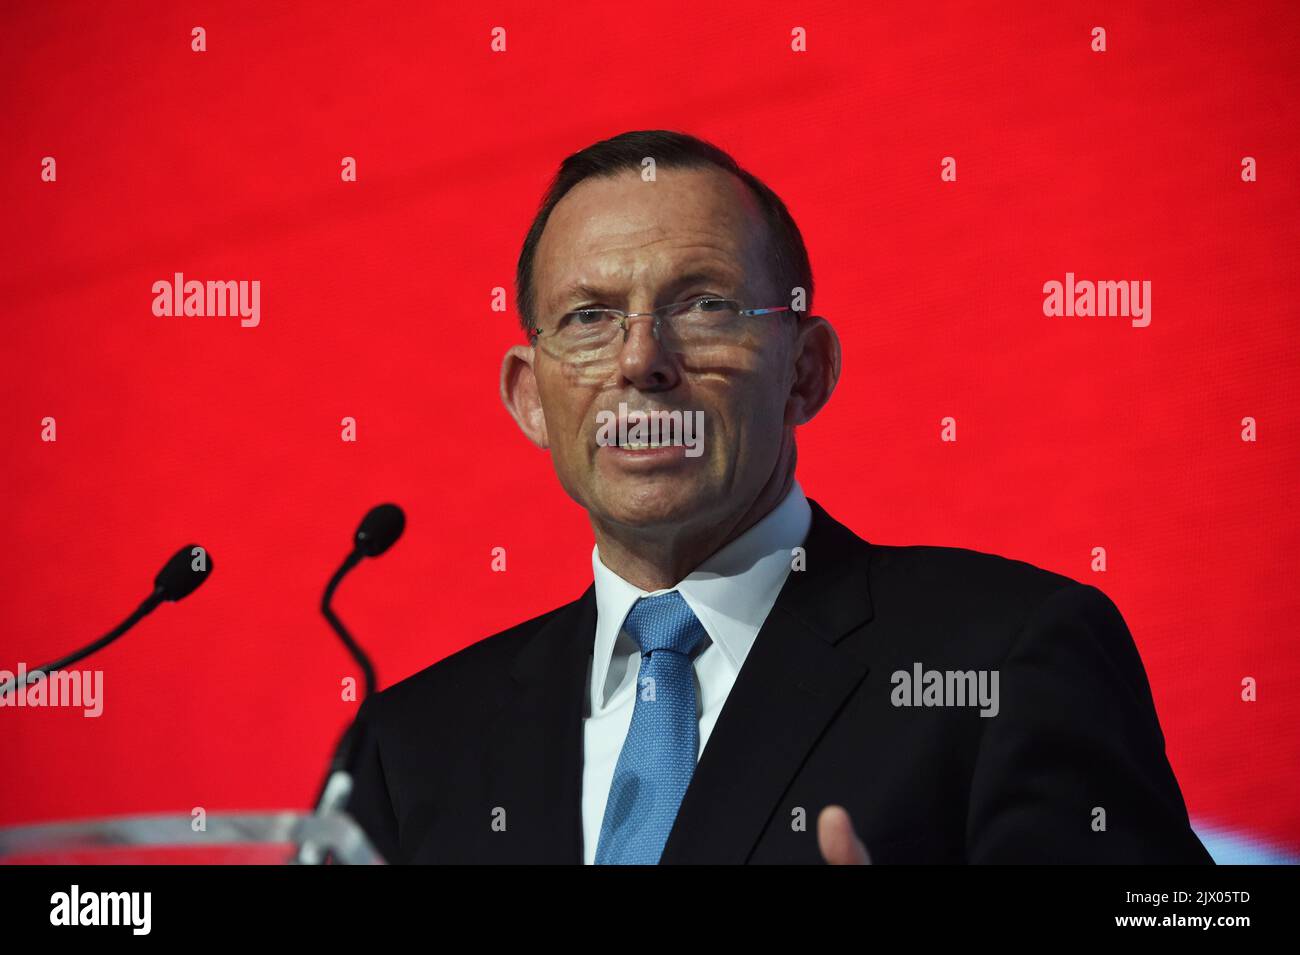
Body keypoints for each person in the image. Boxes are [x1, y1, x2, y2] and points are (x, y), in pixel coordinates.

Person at [346, 129, 1211, 864]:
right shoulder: (412, 744)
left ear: (807, 371)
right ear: (531, 397)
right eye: (588, 317)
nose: (641, 359)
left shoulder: (1008, 659)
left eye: (706, 304)